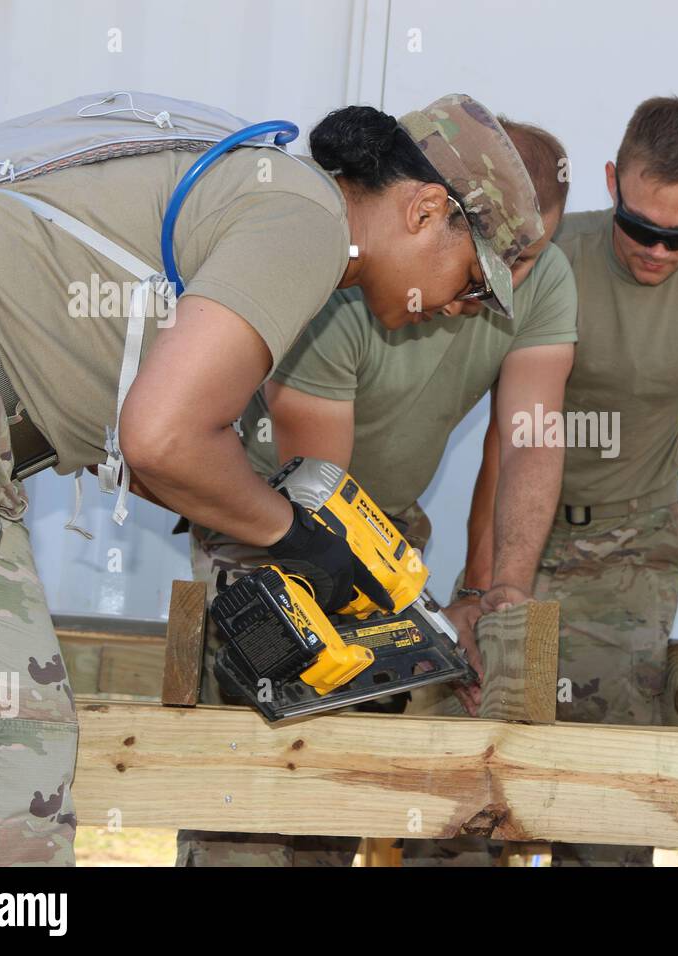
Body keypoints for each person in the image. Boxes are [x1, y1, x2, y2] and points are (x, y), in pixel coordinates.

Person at [0, 91, 541, 866]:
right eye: (474, 282)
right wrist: (297, 538)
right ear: (424, 210)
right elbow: (162, 439)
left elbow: (164, 454)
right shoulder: (307, 219)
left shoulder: (278, 219)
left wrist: (281, 526)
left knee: (17, 761)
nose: (460, 309)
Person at [176, 119, 576, 867]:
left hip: (386, 529)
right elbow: (317, 507)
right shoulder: (339, 276)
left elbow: (527, 440)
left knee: (341, 790)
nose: (505, 284)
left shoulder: (541, 273)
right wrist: (421, 620)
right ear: (438, 214)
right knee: (262, 782)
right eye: (492, 262)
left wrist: (500, 596)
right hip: (275, 523)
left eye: (527, 257)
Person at [465, 96, 678, 865]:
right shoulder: (550, 257)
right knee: (473, 779)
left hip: (632, 543)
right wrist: (480, 589)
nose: (659, 253)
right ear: (611, 181)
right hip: (521, 532)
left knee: (606, 794)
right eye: (641, 227)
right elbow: (508, 442)